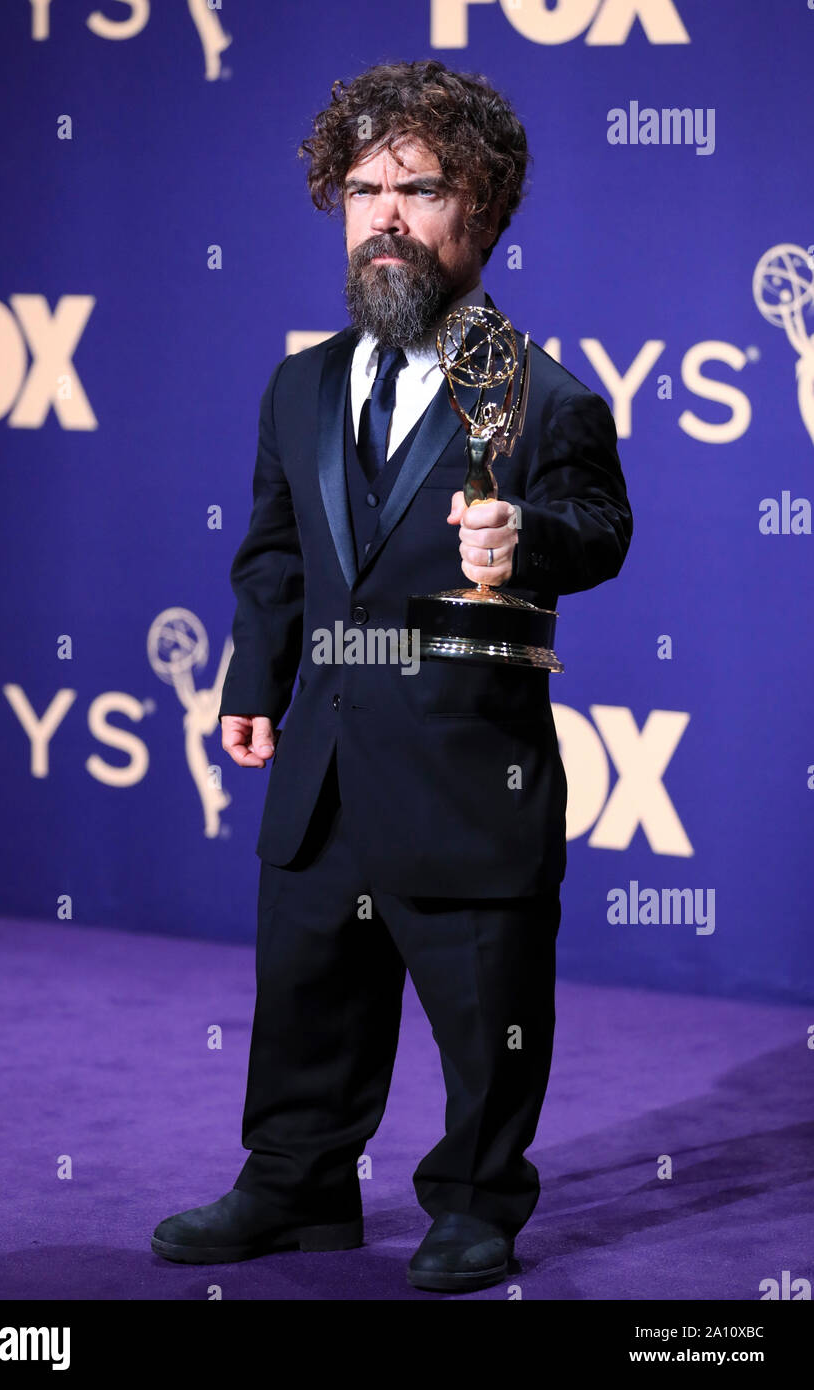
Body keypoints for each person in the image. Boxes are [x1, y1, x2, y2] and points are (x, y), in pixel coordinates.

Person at [152, 58, 632, 1294]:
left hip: (467, 763)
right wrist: (253, 684)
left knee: (486, 1007)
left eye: (417, 187)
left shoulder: (546, 394)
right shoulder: (300, 383)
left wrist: (528, 535)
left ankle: (476, 1199)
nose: (382, 214)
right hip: (321, 758)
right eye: (360, 186)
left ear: (484, 208)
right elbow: (273, 556)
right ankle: (294, 1182)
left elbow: (601, 527)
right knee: (305, 985)